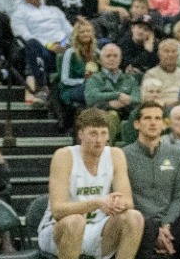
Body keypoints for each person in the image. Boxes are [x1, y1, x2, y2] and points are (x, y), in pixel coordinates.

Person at [40, 109, 143, 259]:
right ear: (81, 134)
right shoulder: (64, 156)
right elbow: (58, 211)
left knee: (134, 217)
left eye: (103, 133)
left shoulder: (116, 154)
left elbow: (128, 202)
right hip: (58, 229)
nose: (99, 140)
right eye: (93, 133)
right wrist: (97, 203)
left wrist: (116, 203)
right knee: (76, 221)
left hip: (97, 228)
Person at [121, 101, 180, 259]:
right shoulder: (123, 155)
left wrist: (166, 225)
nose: (153, 122)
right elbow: (127, 200)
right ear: (136, 124)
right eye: (147, 118)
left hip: (168, 222)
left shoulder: (175, 154)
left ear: (163, 124)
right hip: (140, 223)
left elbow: (177, 196)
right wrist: (155, 228)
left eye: (157, 118)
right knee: (148, 227)